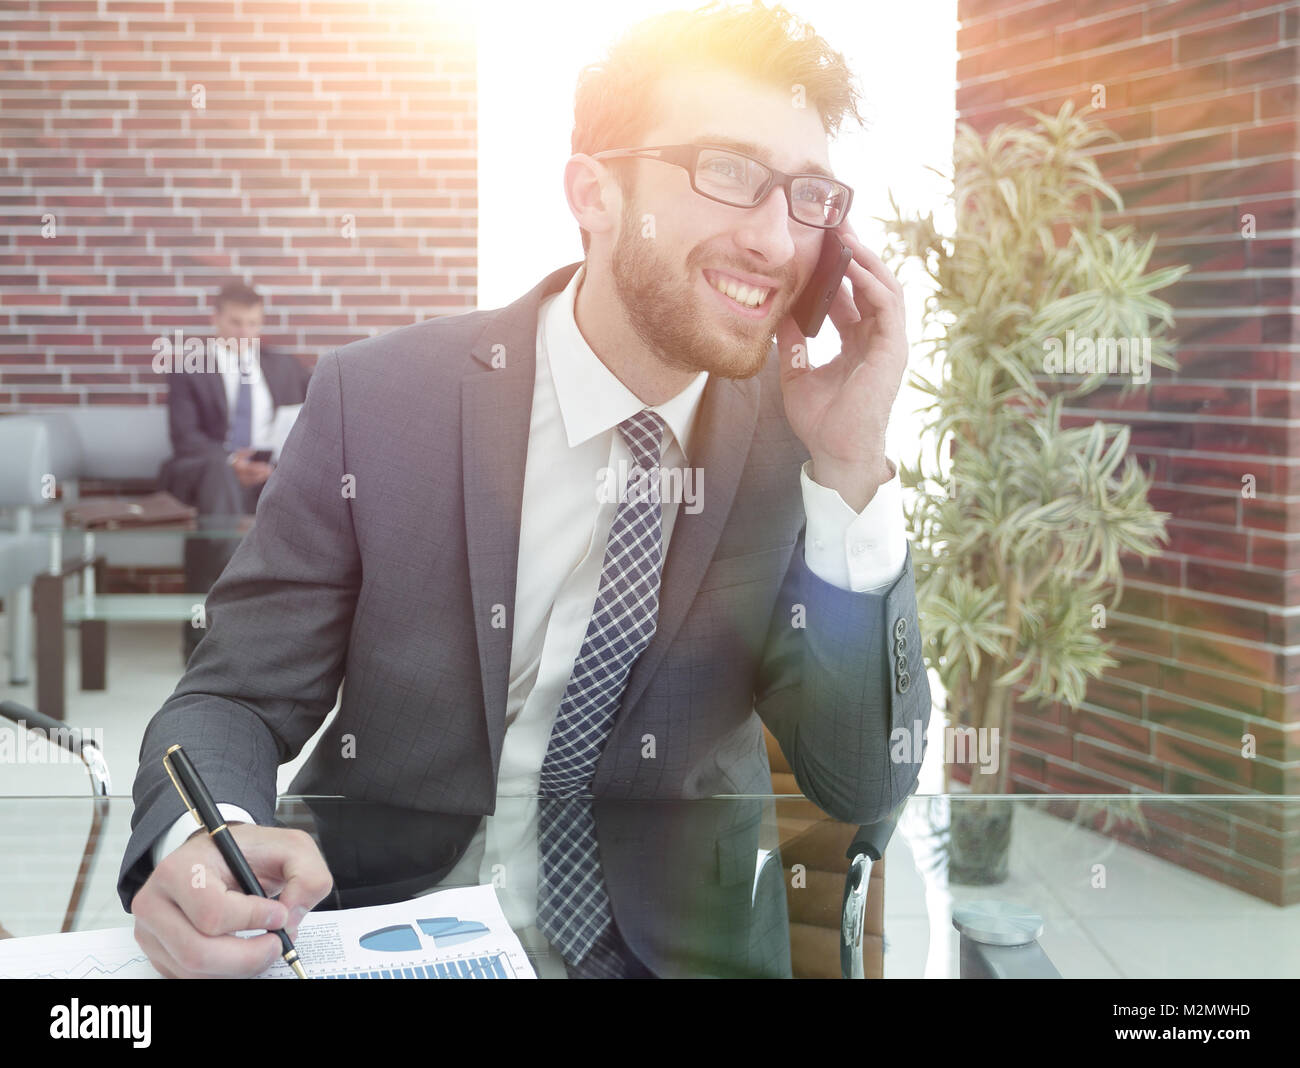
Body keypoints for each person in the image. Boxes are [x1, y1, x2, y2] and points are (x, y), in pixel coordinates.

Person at [119, 1, 932, 979]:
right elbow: (235, 696)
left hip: (677, 951)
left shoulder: (796, 444)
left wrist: (848, 471)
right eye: (727, 172)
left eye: (808, 195)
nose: (772, 238)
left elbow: (860, 776)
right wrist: (201, 844)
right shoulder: (377, 403)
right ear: (592, 193)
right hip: (381, 926)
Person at [156, 281, 312, 662]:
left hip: (269, 476)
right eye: (236, 323)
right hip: (207, 475)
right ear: (216, 319)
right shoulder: (189, 368)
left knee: (304, 478)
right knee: (215, 472)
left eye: (253, 324)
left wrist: (273, 466)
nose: (245, 333)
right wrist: (230, 464)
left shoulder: (285, 367)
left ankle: (276, 635)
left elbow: (309, 424)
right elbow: (185, 439)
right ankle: (213, 628)